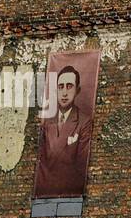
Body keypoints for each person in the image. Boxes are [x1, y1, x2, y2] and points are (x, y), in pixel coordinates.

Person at [35, 65, 93, 199]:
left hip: (69, 190)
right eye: (61, 87)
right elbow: (42, 160)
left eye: (69, 86)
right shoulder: (47, 122)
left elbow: (81, 164)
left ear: (77, 90)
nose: (64, 93)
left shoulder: (84, 122)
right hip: (45, 190)